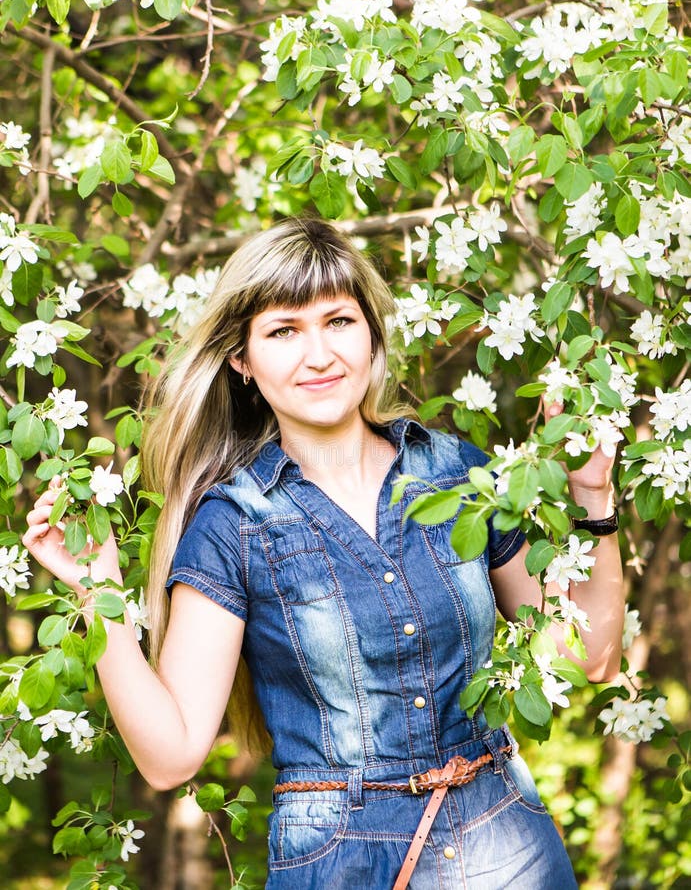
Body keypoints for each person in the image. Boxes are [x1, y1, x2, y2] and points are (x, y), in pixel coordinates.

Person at [24, 218, 625, 888]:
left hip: (507, 847)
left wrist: (591, 498)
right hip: (342, 862)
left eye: (337, 321)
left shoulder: (458, 473)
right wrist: (94, 589)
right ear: (242, 361)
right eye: (283, 331)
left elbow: (586, 655)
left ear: (371, 335)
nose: (318, 355)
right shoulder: (234, 526)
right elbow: (171, 758)